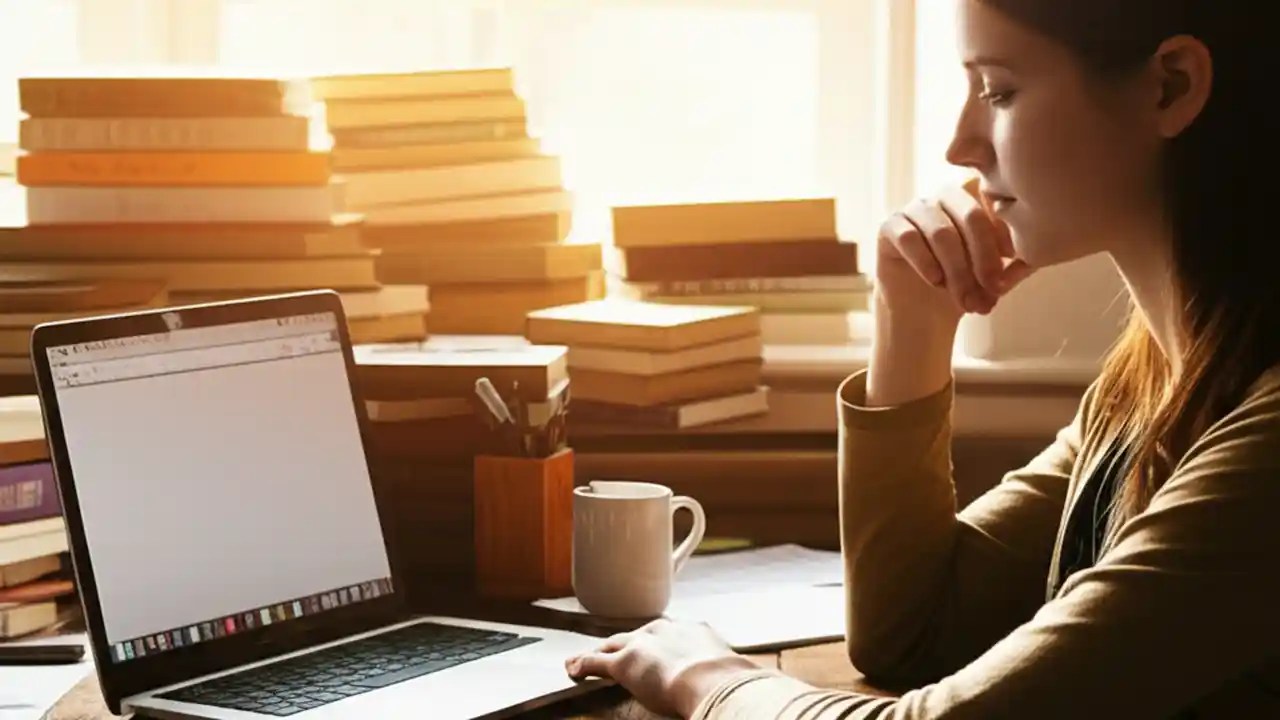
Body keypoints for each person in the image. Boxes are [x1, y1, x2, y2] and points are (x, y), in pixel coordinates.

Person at [565, 0, 1278, 717]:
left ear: (1172, 86)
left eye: (998, 91)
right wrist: (908, 323)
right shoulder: (1144, 387)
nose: (959, 145)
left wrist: (709, 681)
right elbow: (912, 632)